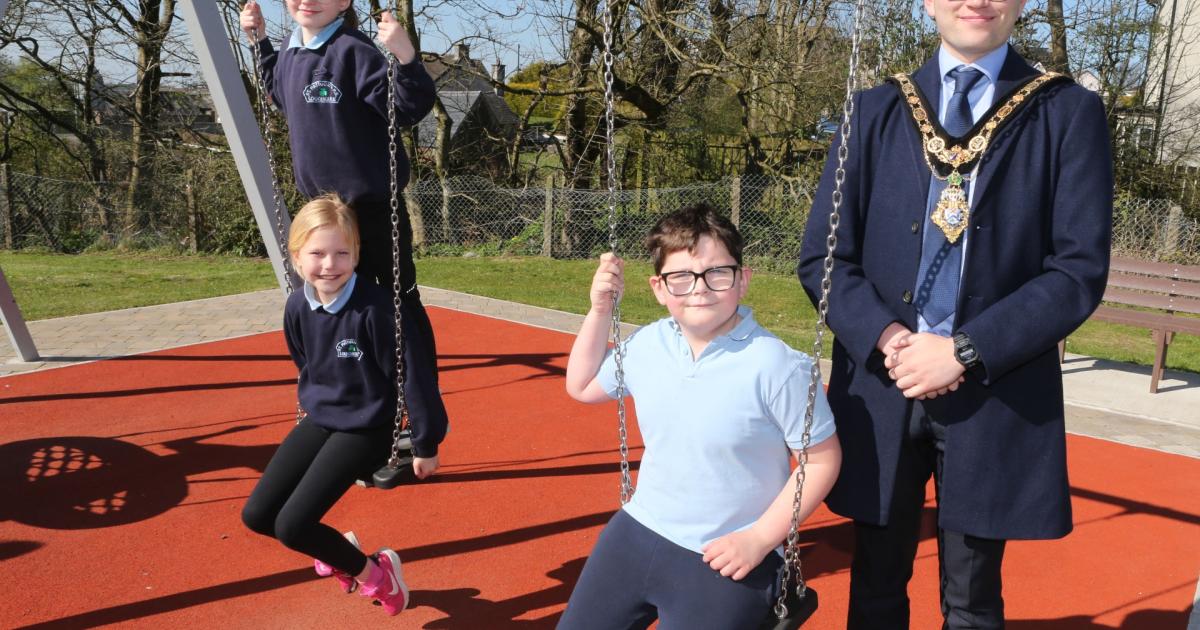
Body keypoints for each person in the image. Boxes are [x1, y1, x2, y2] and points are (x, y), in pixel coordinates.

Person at [797, 0, 1113, 627]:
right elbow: (825, 257)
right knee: (876, 585)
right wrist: (889, 338)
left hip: (992, 387)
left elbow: (1077, 271)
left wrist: (962, 350)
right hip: (885, 385)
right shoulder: (874, 111)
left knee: (973, 599)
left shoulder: (1065, 111)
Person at [560, 204, 842, 629]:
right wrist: (601, 310)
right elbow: (580, 386)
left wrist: (761, 539)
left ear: (743, 280)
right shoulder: (649, 344)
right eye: (681, 277)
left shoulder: (778, 366)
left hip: (728, 553)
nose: (700, 289)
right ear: (658, 288)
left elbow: (822, 460)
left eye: (718, 273)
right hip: (639, 530)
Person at [239, 0, 449, 450]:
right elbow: (277, 91)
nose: (306, 1)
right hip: (322, 213)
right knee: (333, 318)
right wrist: (259, 44)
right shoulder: (293, 54)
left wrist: (406, 57)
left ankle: (417, 422)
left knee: (394, 315)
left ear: (344, 3)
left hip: (372, 211)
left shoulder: (356, 52)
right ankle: (358, 414)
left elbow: (408, 108)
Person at [241, 194, 447, 616]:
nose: (329, 264)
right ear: (297, 256)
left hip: (368, 428)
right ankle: (339, 553)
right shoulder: (298, 305)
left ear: (356, 254)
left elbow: (415, 376)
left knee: (293, 526)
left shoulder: (376, 310)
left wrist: (426, 443)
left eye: (342, 253)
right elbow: (306, 361)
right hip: (322, 418)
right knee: (258, 516)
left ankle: (378, 574)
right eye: (317, 253)